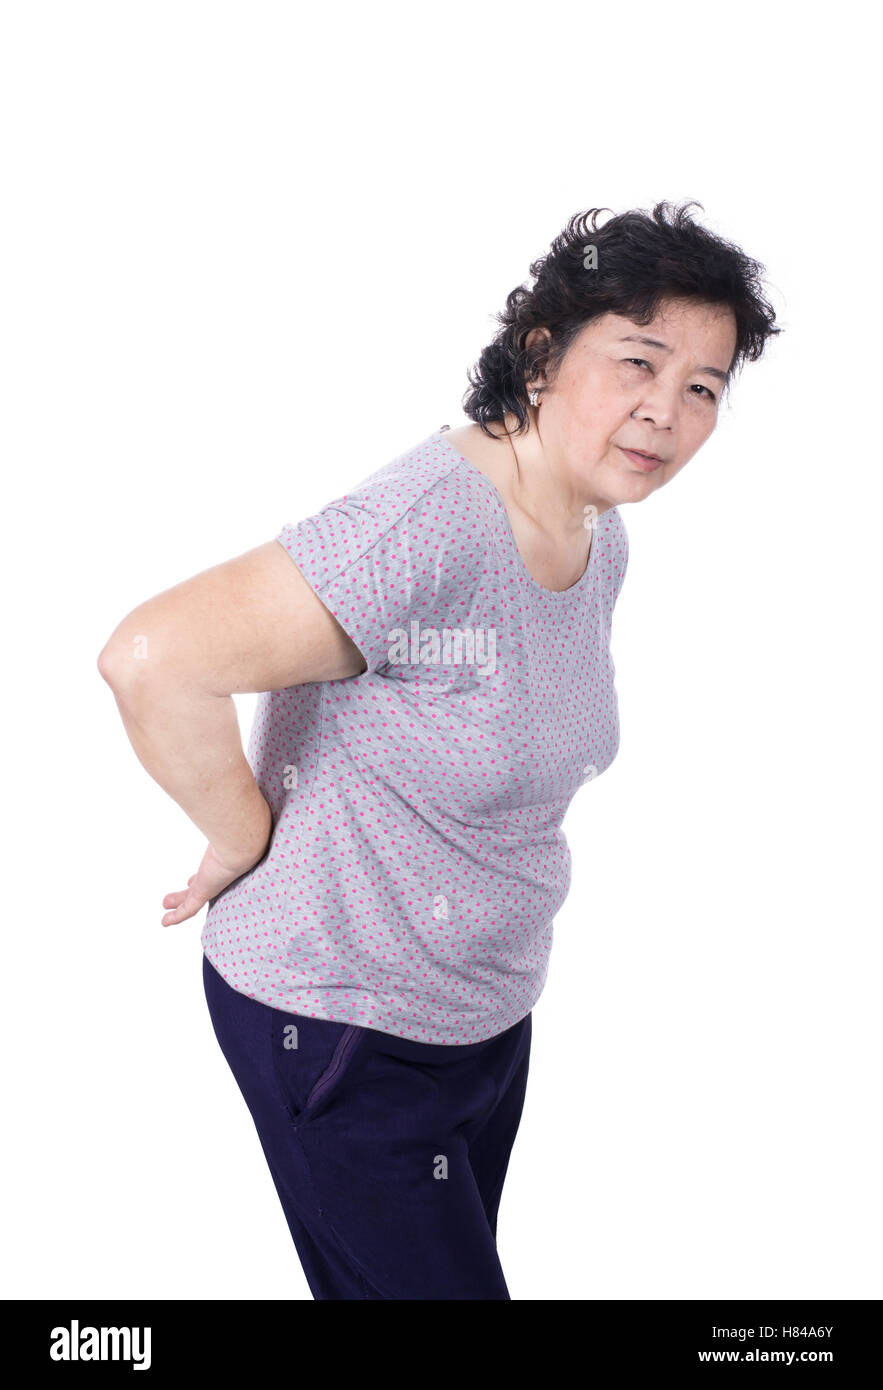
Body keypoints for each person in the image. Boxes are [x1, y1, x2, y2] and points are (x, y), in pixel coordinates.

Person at [97, 199, 781, 1299]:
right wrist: (238, 832)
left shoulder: (593, 528)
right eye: (638, 363)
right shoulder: (426, 525)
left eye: (701, 387)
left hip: (478, 1023)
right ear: (541, 354)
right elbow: (152, 656)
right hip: (339, 1027)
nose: (666, 412)